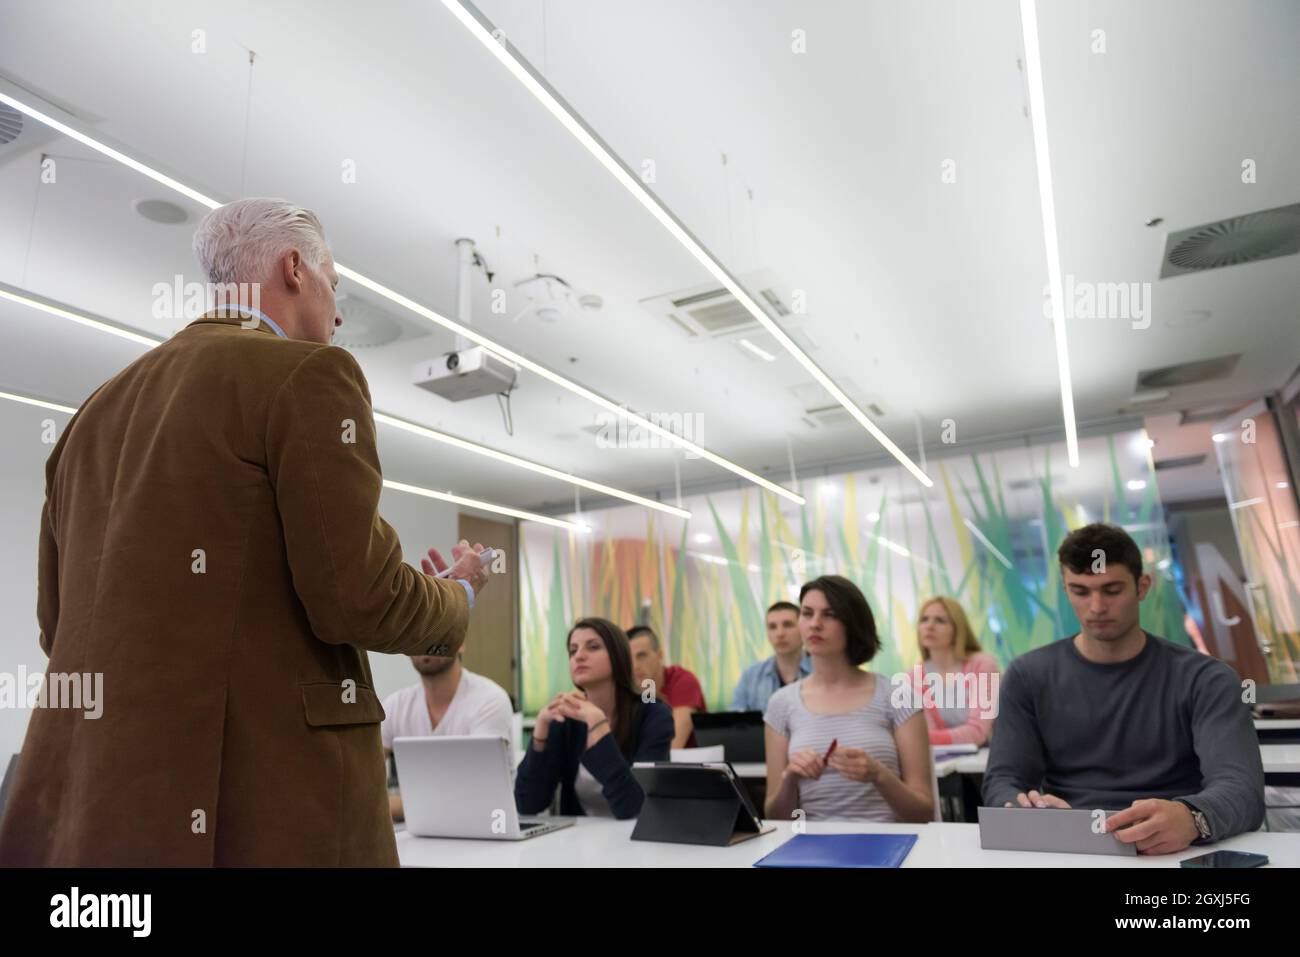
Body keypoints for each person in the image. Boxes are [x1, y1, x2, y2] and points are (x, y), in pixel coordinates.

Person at [0, 198, 491, 867]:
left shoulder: (93, 414)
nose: (339, 313)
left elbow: (57, 624)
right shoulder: (308, 373)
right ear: (295, 269)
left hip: (98, 806)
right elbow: (358, 594)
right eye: (335, 285)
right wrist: (456, 598)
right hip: (266, 805)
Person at [983, 523, 1265, 854]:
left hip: (1175, 847)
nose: (1097, 607)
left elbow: (1242, 790)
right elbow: (1002, 783)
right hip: (1071, 847)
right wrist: (1026, 810)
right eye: (1080, 591)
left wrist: (1193, 817)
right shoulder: (1027, 676)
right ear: (1065, 589)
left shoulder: (1206, 679)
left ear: (1142, 586)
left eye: (1112, 590)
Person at [764, 576, 934, 822]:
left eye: (829, 614)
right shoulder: (780, 704)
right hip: (812, 850)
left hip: (888, 846)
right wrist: (790, 779)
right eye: (807, 613)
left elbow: (923, 812)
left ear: (853, 624)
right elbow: (775, 818)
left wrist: (879, 775)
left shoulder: (899, 695)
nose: (815, 624)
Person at [515, 618, 672, 819]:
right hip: (578, 843)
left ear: (618, 656)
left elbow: (634, 806)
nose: (579, 656)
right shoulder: (566, 720)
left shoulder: (654, 716)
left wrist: (598, 724)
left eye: (593, 647)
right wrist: (540, 733)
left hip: (638, 841)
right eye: (573, 650)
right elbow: (527, 804)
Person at [382, 653, 514, 821]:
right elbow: (362, 775)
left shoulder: (490, 700)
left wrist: (385, 805)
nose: (425, 642)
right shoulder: (396, 705)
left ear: (460, 642)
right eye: (417, 634)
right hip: (418, 833)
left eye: (435, 630)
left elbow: (475, 799)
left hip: (485, 830)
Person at [910, 596, 1000, 746]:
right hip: (942, 765)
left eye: (940, 620)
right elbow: (925, 731)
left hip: (986, 760)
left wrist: (918, 740)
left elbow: (979, 733)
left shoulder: (984, 665)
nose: (929, 626)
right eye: (924, 619)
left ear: (957, 629)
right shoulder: (913, 676)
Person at [628, 625, 706, 748]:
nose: (635, 666)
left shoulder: (682, 681)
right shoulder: (629, 689)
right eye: (628, 659)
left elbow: (671, 746)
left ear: (659, 654)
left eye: (641, 656)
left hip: (685, 765)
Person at [731, 601, 812, 712]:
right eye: (772, 627)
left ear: (803, 629)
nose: (780, 633)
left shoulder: (821, 671)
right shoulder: (750, 677)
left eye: (788, 625)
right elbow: (735, 724)